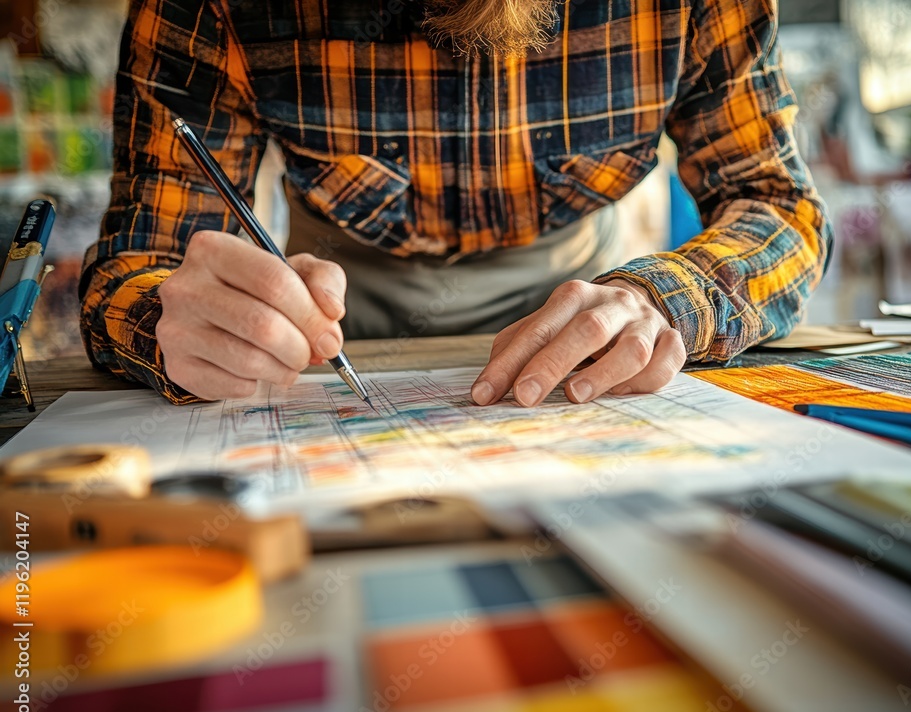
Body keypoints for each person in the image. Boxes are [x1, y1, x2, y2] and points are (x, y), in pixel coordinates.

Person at [80, 0, 831, 407]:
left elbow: (774, 202)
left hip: (587, 341)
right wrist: (171, 322)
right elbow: (141, 264)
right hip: (330, 339)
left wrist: (662, 299)